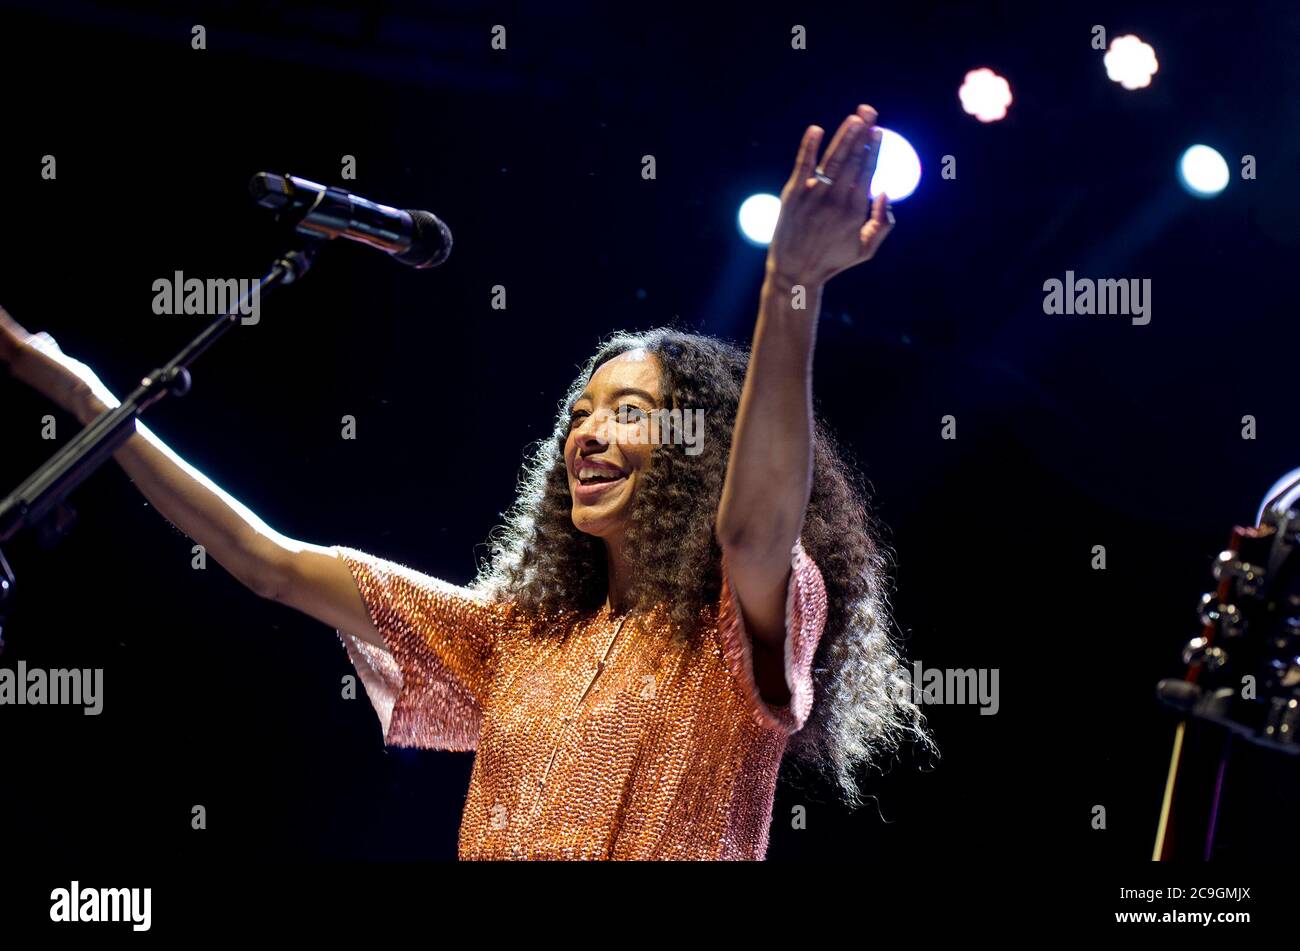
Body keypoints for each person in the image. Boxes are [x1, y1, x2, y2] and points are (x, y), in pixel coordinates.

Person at [0, 105, 932, 859]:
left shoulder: (735, 633)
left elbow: (755, 532)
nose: (589, 437)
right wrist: (86, 396)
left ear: (701, 454)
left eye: (629, 413)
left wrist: (791, 288)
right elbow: (268, 561)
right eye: (577, 416)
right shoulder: (509, 642)